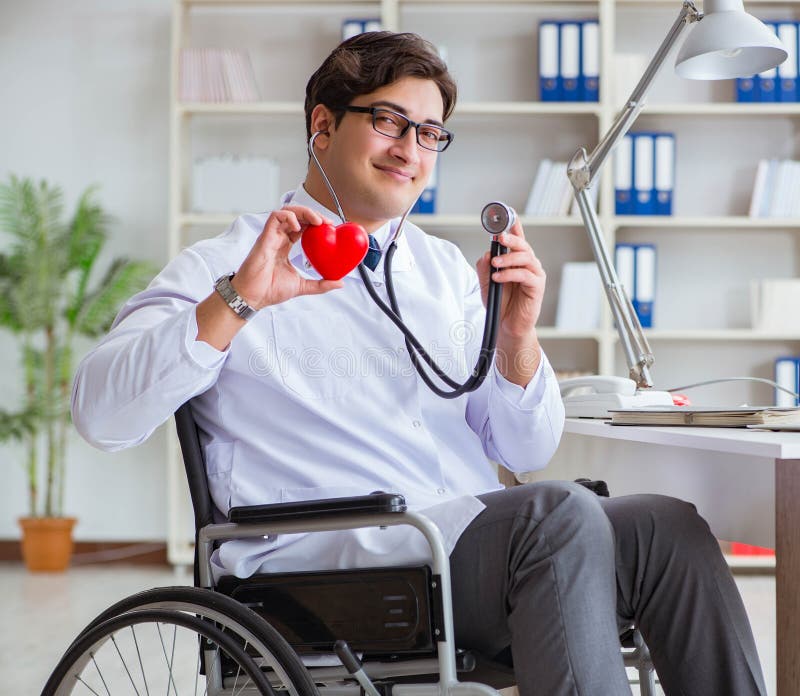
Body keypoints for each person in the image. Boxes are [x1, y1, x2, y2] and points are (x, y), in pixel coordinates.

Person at [72, 31, 766, 696]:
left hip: (465, 550)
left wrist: (516, 335)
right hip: (334, 574)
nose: (411, 149)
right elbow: (100, 415)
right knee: (557, 517)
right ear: (322, 124)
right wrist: (237, 301)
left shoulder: (444, 270)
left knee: (668, 530)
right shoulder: (225, 265)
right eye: (389, 122)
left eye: (430, 133)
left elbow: (527, 448)